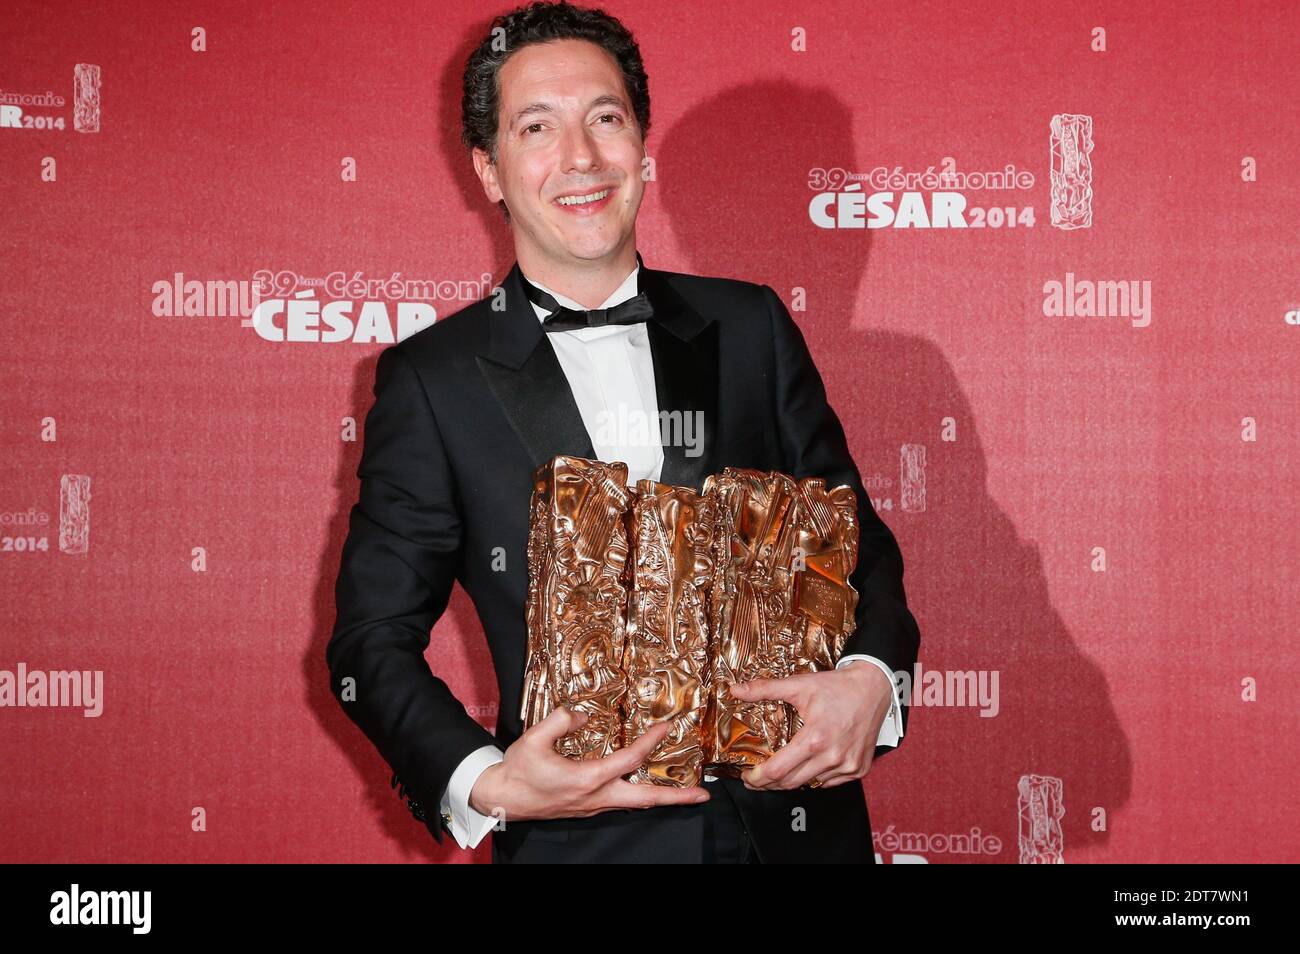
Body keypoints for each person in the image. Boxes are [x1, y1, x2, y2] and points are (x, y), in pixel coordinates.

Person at [327, 0, 921, 863]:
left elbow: (857, 549)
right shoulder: (432, 381)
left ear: (643, 147)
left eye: (606, 119)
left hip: (794, 830)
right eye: (538, 127)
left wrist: (871, 683)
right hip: (583, 848)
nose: (581, 157)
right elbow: (370, 640)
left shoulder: (751, 327)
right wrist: (486, 780)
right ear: (489, 171)